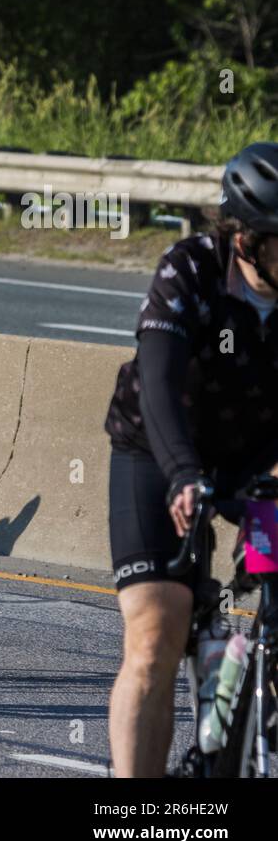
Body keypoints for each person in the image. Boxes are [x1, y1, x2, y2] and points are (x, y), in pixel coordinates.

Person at [105, 141, 278, 776]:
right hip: (158, 453)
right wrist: (183, 475)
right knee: (158, 628)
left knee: (270, 599)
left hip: (258, 464)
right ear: (247, 239)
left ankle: (233, 729)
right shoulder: (191, 271)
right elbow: (158, 381)